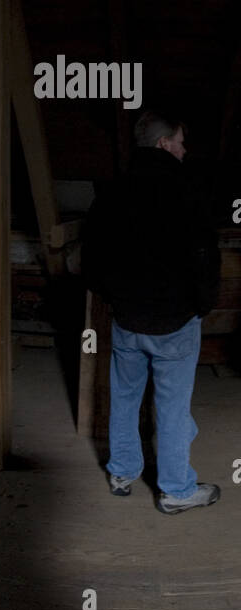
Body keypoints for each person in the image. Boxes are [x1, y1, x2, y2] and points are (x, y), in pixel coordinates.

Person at [86, 110, 221, 513]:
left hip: (128, 319)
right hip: (175, 322)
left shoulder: (111, 191)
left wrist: (113, 297)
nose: (185, 148)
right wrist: (202, 305)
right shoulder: (188, 189)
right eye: (180, 141)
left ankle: (122, 472)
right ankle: (176, 491)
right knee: (172, 407)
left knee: (125, 399)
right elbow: (205, 257)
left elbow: (92, 259)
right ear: (164, 144)